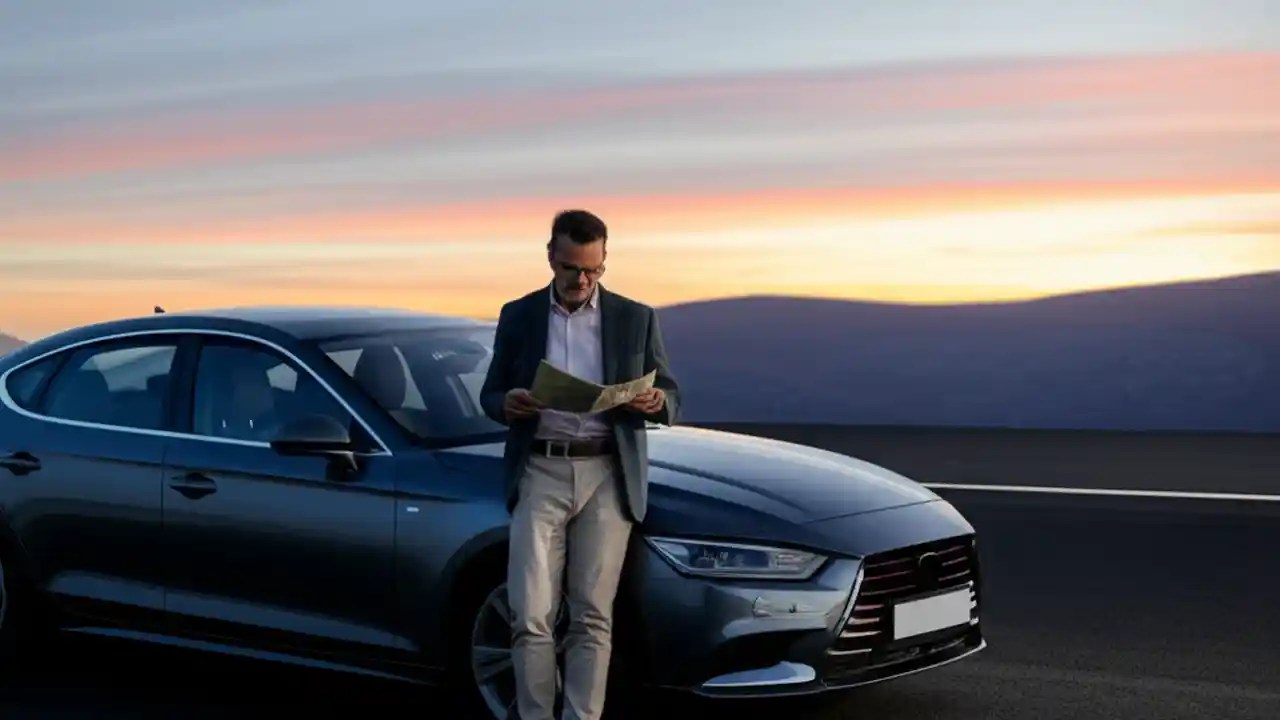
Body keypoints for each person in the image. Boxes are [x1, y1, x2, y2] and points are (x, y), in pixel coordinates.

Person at [479, 209, 680, 720]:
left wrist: (656, 401)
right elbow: (491, 393)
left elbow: (671, 394)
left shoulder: (636, 318)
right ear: (551, 257)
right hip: (540, 469)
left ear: (604, 262)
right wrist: (507, 403)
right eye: (572, 268)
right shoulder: (519, 315)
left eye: (593, 269)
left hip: (607, 474)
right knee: (530, 614)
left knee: (592, 615)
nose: (583, 280)